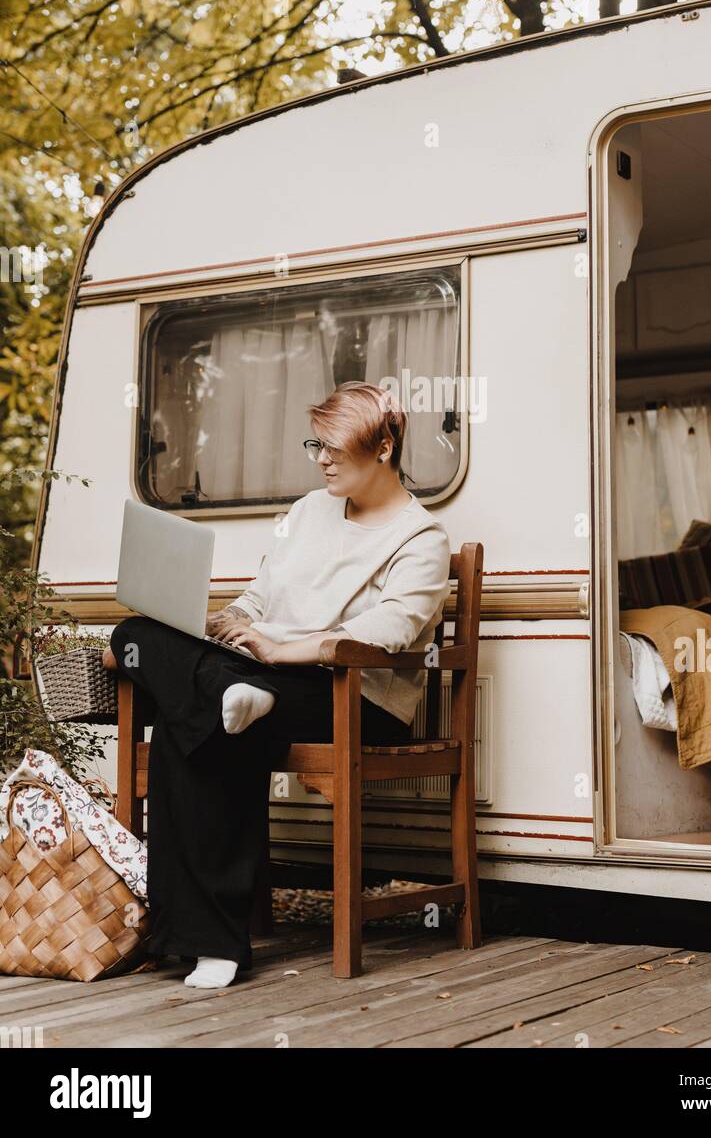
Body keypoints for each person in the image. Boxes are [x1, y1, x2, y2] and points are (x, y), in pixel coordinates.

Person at [102, 382, 451, 989]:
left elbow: (389, 631)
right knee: (140, 630)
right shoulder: (309, 510)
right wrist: (226, 622)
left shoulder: (422, 539)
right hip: (256, 674)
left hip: (349, 693)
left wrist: (283, 649)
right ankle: (223, 694)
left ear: (385, 447)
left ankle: (210, 942)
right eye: (317, 444)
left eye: (336, 447)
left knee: (195, 726)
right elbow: (262, 594)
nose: (322, 458)